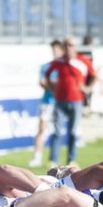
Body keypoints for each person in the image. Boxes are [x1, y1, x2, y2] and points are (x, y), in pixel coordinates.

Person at [44, 37, 95, 167]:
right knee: (56, 131)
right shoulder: (59, 62)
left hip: (76, 100)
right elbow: (48, 74)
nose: (69, 48)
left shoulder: (82, 61)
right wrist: (51, 88)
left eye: (71, 45)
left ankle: (71, 159)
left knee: (73, 131)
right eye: (66, 45)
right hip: (60, 100)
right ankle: (54, 160)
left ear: (75, 46)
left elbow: (93, 75)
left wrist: (88, 88)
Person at [30, 40, 63, 168]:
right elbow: (42, 82)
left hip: (59, 103)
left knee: (57, 131)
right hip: (47, 102)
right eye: (53, 50)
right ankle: (37, 156)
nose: (55, 53)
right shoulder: (46, 66)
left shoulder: (63, 68)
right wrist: (54, 86)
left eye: (57, 50)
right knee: (41, 129)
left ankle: (54, 158)